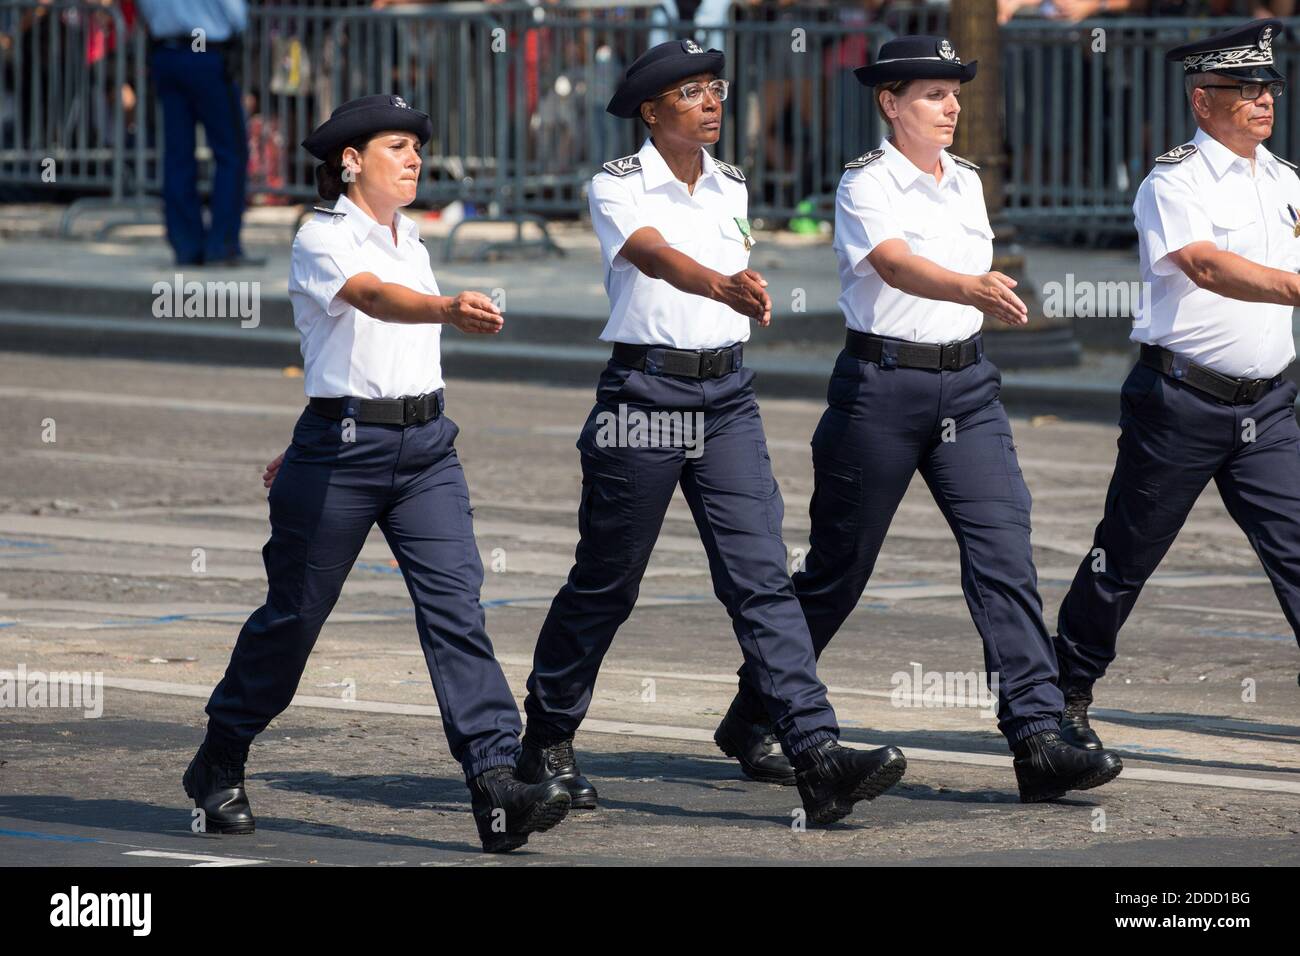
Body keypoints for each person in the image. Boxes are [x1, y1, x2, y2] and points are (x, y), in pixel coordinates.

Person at [717, 35, 1125, 803]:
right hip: (883, 386)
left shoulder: (966, 179)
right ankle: (754, 712)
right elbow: (895, 264)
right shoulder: (866, 183)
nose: (952, 106)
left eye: (956, 92)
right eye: (934, 94)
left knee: (1003, 554)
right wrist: (971, 287)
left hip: (967, 387)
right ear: (890, 103)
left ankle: (1037, 737)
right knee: (838, 573)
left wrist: (972, 300)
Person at [518, 39, 908, 827]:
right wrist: (718, 282)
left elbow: (720, 272)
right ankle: (547, 738)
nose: (710, 101)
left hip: (726, 393)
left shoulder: (729, 180)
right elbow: (656, 258)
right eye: (691, 92)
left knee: (761, 577)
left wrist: (738, 296)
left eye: (716, 88)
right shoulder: (617, 184)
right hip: (646, 392)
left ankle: (816, 754)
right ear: (652, 110)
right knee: (608, 581)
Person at [186, 94, 572, 854]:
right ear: (351, 161)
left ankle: (497, 786)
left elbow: (374, 352)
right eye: (398, 146)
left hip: (425, 448)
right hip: (341, 455)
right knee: (295, 620)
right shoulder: (322, 237)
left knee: (456, 608)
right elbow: (370, 300)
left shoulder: (411, 239)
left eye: (417, 147)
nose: (415, 158)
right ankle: (221, 755)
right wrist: (442, 310)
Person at [1053, 19, 1300, 749]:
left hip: (1270, 406)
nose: (1263, 99)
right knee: (1125, 555)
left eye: (1269, 87)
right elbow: (1204, 266)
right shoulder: (1174, 181)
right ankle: (1064, 693)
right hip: (1182, 403)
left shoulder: (1286, 180)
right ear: (1203, 100)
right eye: (1245, 88)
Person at [134, 0, 259, 266]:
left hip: (167, 52)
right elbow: (234, 12)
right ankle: (222, 245)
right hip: (207, 55)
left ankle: (186, 246)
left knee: (177, 155)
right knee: (231, 153)